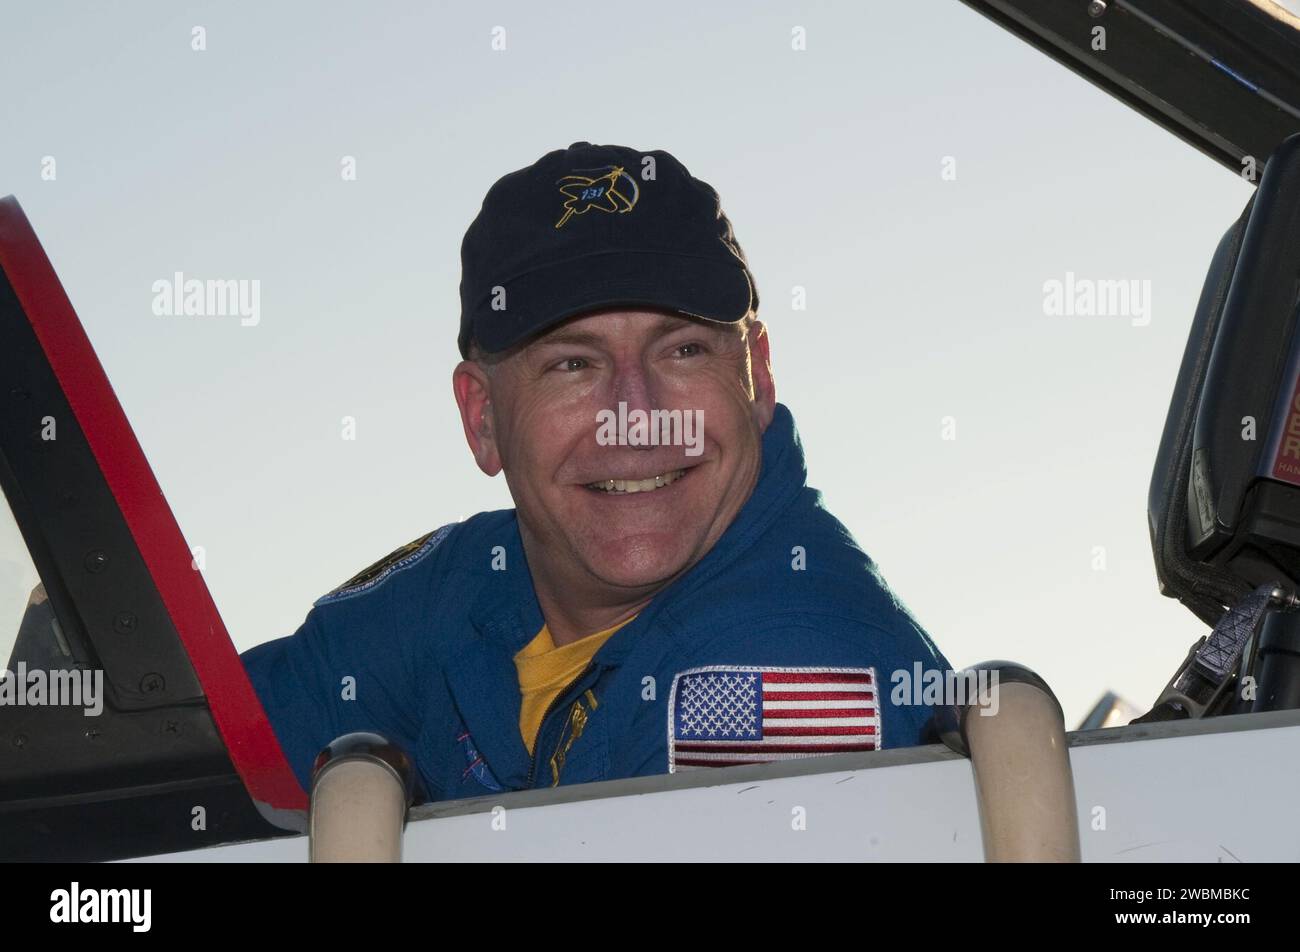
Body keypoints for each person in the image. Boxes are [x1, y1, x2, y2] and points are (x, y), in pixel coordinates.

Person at [241, 141, 950, 801]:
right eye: (573, 365)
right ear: (482, 418)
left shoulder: (789, 674)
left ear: (758, 378)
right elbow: (194, 749)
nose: (635, 415)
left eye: (684, 352)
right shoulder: (470, 582)